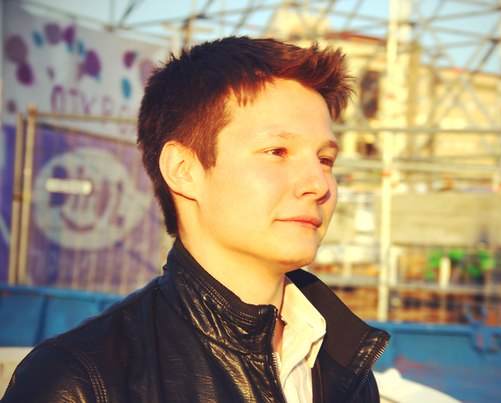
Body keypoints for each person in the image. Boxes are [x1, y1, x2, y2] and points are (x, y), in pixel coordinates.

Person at [2, 36, 390, 402]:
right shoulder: (81, 381)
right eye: (277, 151)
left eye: (325, 159)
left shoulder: (343, 364)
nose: (318, 184)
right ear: (184, 170)